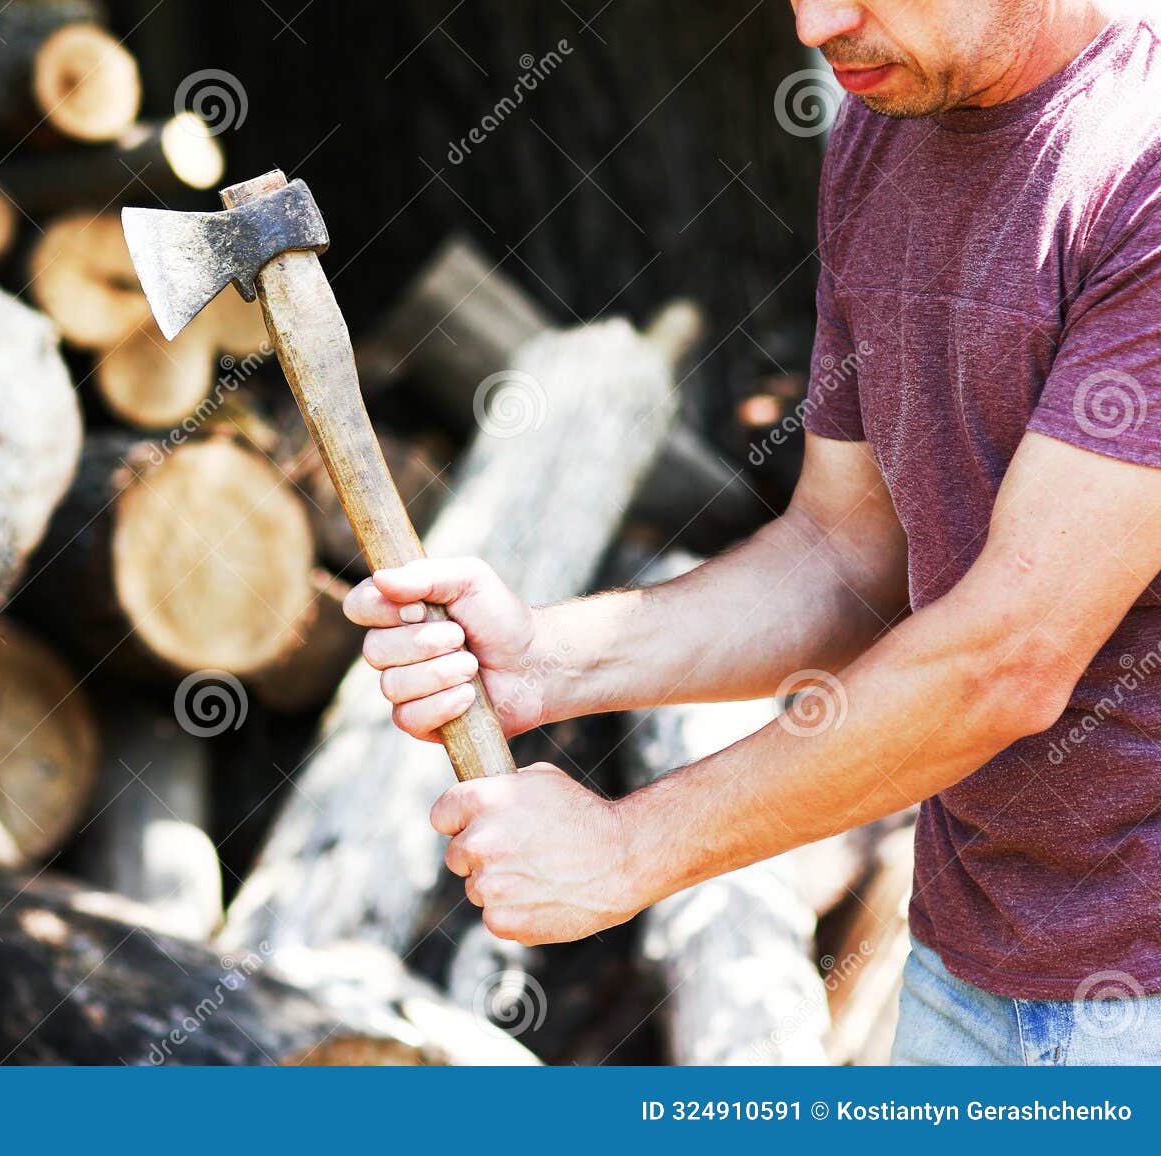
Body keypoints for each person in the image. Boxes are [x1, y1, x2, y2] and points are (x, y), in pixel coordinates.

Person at [344, 0, 1161, 1064]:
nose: (815, 24)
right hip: (968, 965)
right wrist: (545, 659)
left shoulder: (1136, 170)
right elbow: (841, 557)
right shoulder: (883, 127)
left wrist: (626, 848)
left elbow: (1009, 656)